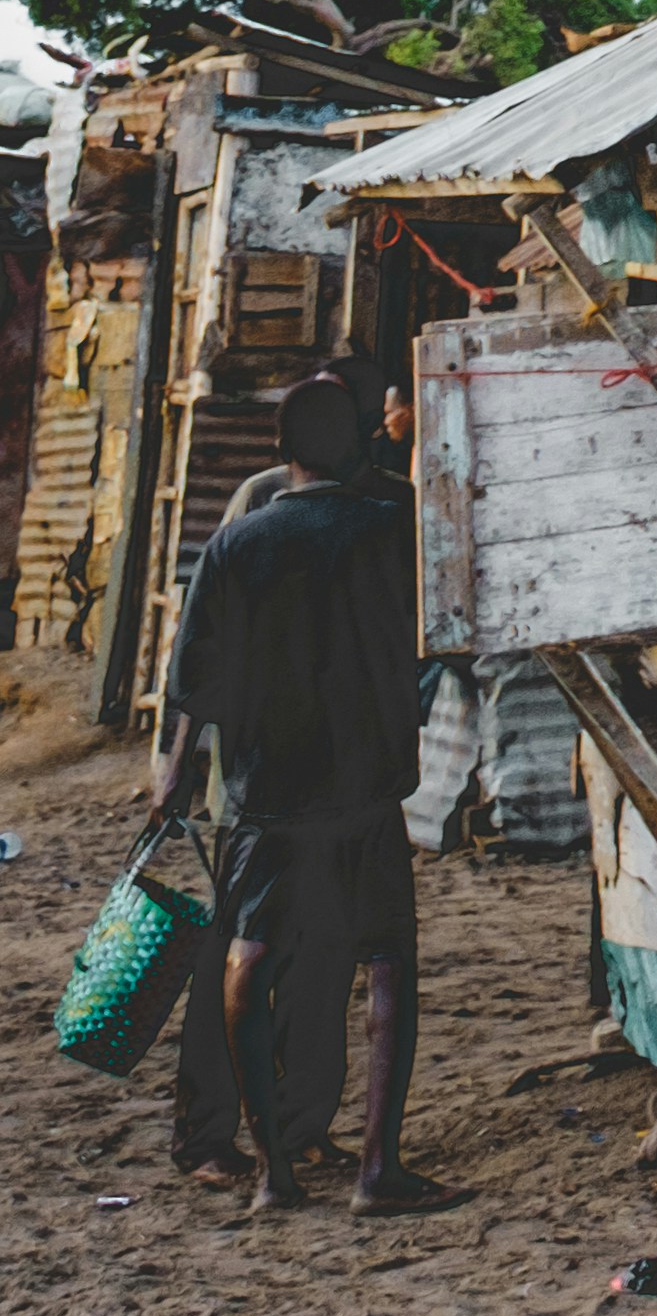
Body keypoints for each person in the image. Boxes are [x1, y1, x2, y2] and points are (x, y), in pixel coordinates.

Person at [150, 366, 439, 1216]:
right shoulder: (390, 524)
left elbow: (195, 675)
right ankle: (364, 1167)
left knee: (257, 955)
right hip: (360, 780)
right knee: (381, 961)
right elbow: (435, 634)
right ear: (359, 438)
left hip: (265, 786)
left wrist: (175, 765)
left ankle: (281, 1161)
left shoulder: (242, 539)